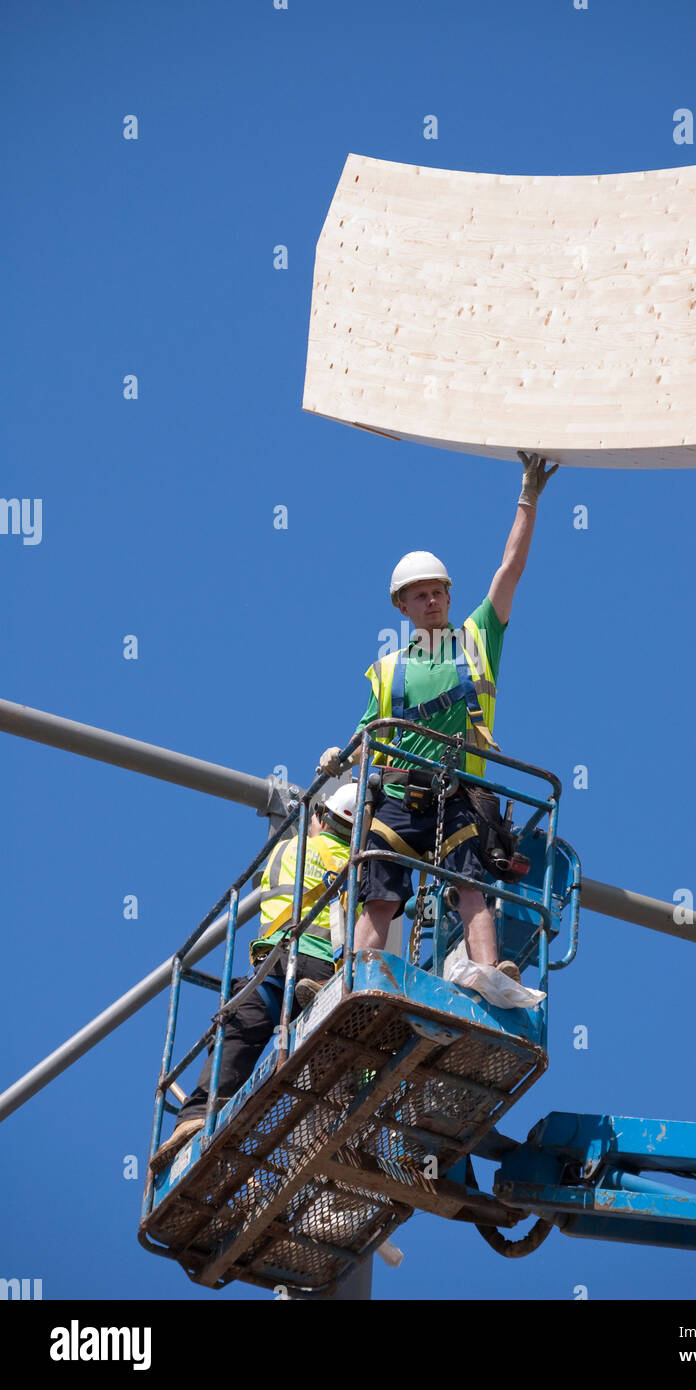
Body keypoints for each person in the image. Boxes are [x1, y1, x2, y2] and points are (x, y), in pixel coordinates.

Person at [318, 451, 557, 983]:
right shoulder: (388, 670)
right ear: (402, 607)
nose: (432, 601)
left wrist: (528, 499)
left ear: (450, 596)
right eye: (420, 595)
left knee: (472, 886)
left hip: (459, 793)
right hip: (403, 799)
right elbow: (365, 737)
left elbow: (509, 570)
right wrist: (340, 756)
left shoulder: (476, 639)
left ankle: (492, 972)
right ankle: (360, 976)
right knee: (378, 891)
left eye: (438, 592)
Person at [151, 783, 357, 1168]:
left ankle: (196, 1117)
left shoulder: (287, 848)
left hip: (275, 963)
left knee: (236, 1029)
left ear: (321, 817)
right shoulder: (360, 862)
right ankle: (339, 1128)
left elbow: (264, 886)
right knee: (332, 1050)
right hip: (325, 970)